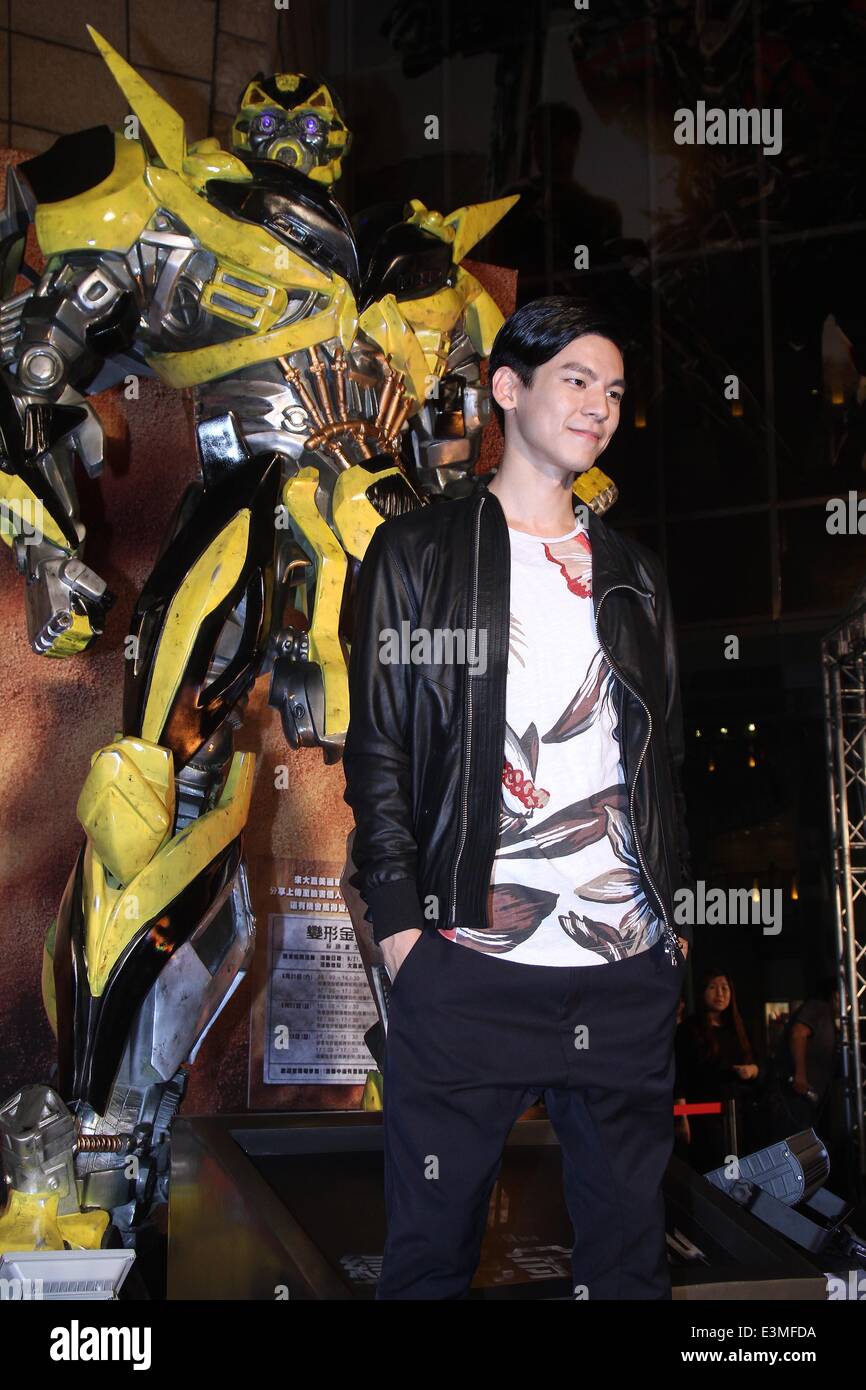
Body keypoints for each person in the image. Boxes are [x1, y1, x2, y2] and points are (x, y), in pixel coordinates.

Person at [342, 294, 695, 1300]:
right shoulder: (416, 555)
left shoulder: (632, 576)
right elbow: (379, 752)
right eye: (576, 379)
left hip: (621, 965)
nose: (599, 405)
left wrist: (670, 921)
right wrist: (403, 927)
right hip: (467, 965)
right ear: (507, 387)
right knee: (427, 1263)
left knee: (630, 1267)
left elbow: (654, 757)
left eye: (614, 390)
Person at [674, 968, 758, 1174]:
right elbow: (679, 1076)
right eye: (713, 988)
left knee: (741, 1171)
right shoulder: (688, 1029)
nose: (720, 994)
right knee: (712, 1170)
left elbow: (759, 1064)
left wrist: (752, 1070)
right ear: (702, 992)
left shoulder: (738, 1028)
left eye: (724, 988)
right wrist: (681, 1118)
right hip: (704, 1114)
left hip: (738, 1112)